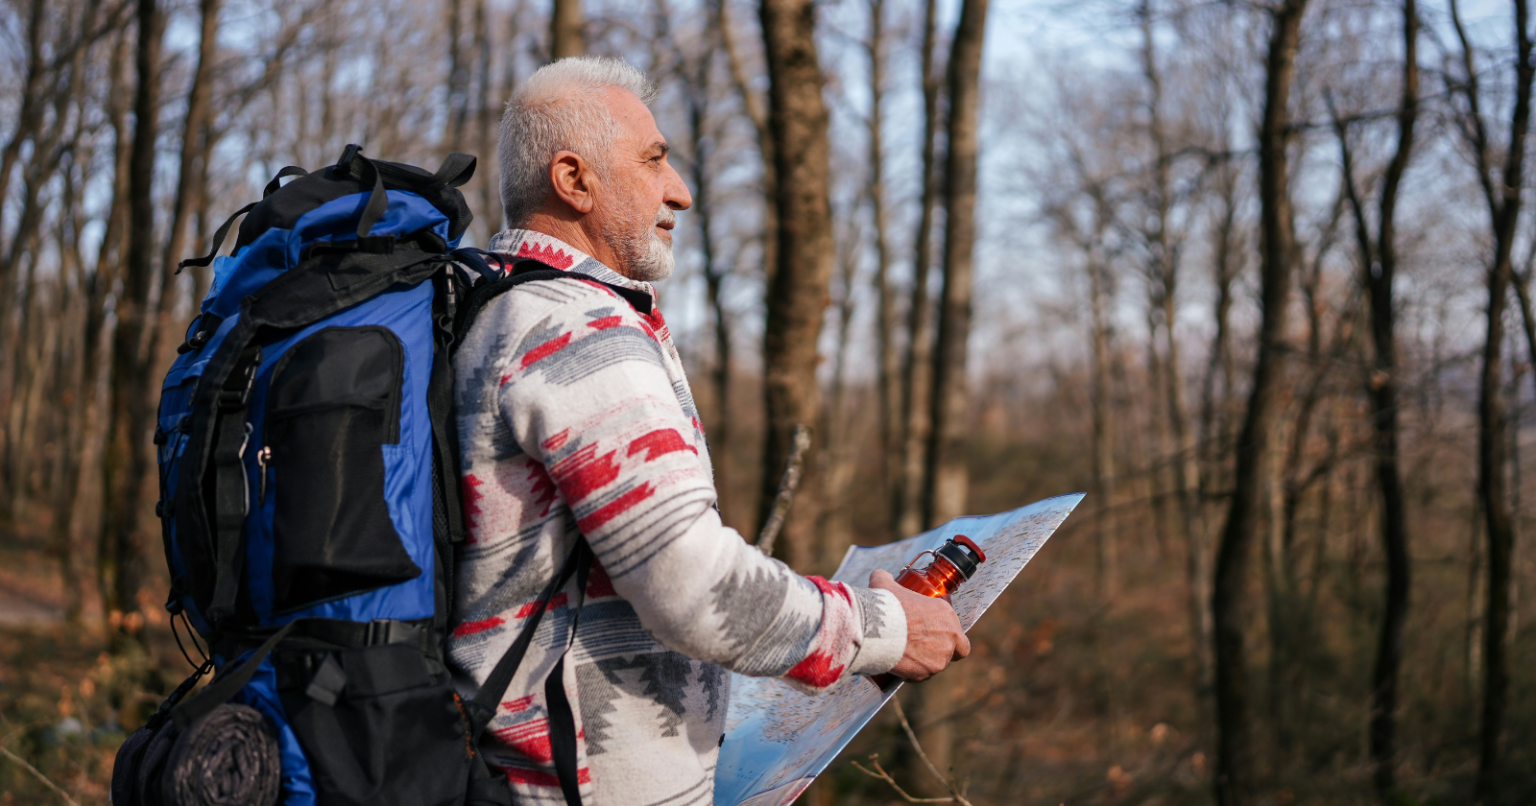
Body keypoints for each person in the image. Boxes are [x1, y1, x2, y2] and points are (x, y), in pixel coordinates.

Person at [449, 55, 970, 806]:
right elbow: (688, 582)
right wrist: (881, 629)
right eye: (654, 159)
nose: (680, 191)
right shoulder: (575, 331)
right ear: (574, 181)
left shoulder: (497, 312)